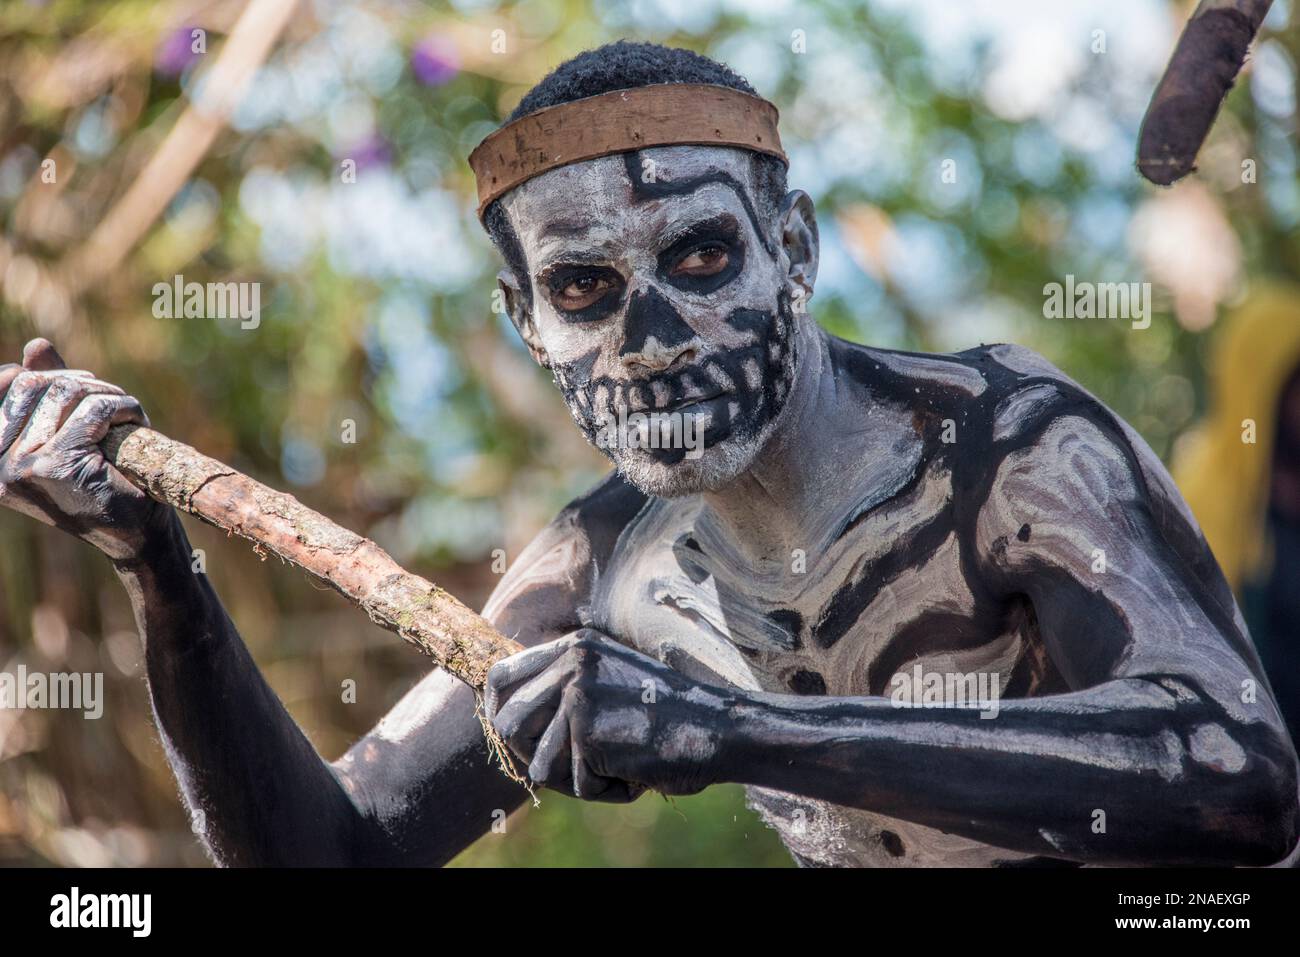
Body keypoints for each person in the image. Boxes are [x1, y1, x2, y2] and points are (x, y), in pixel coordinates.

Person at [1, 42, 1295, 867]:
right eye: (582, 287)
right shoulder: (609, 568)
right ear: (525, 326)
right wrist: (159, 570)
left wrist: (731, 729)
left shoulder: (1008, 451)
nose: (655, 338)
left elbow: (1237, 777)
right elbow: (329, 857)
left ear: (793, 249)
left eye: (701, 257)